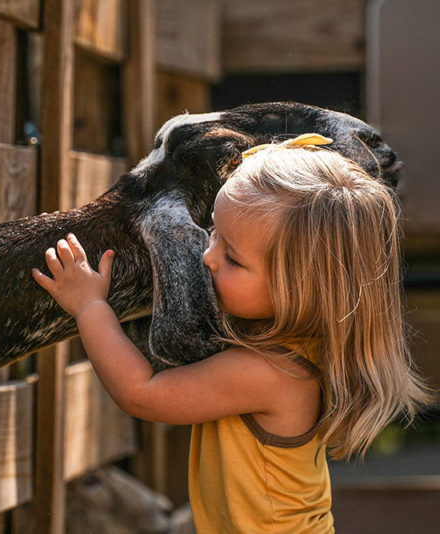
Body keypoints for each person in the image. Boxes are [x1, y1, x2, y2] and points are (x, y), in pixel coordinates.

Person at [32, 134, 434, 533]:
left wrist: (90, 307)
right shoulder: (304, 344)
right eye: (213, 233)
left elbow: (142, 392)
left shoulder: (270, 372)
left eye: (233, 259)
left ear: (296, 289)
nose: (208, 257)